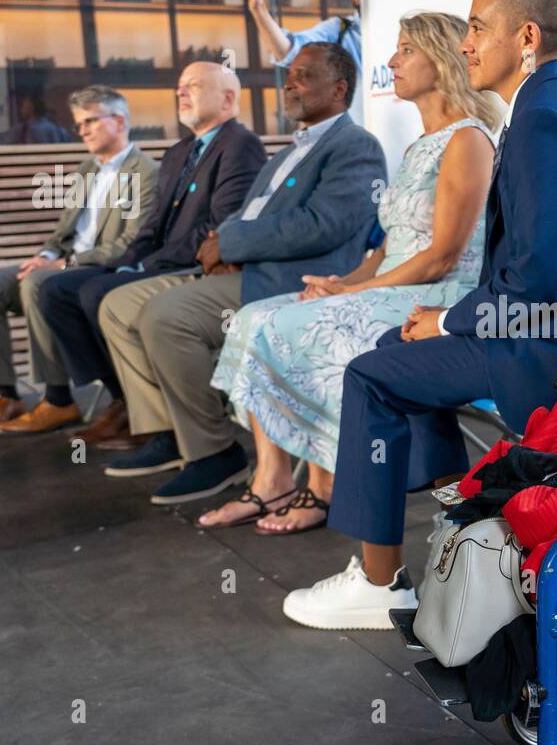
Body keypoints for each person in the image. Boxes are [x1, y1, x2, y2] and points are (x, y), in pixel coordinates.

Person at [279, 0, 557, 631]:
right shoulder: (543, 110)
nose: (465, 43)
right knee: (391, 351)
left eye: (476, 27)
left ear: (525, 37)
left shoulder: (544, 121)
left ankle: (379, 582)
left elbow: (537, 280)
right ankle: (458, 516)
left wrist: (445, 319)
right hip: (539, 326)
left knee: (373, 375)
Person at [199, 12, 500, 535]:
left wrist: (353, 290)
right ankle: (272, 480)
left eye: (406, 51)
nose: (391, 63)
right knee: (253, 317)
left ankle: (326, 486)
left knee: (304, 327)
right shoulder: (417, 146)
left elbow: (442, 257)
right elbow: (386, 249)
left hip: (437, 297)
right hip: (396, 284)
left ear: (442, 59)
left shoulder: (468, 140)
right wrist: (341, 283)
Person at [97, 42, 387, 506]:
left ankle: (213, 452)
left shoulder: (355, 146)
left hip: (291, 281)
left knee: (164, 316)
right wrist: (223, 242)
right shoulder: (285, 153)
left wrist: (229, 244)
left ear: (339, 88)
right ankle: (171, 435)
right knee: (116, 305)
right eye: (288, 74)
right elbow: (244, 214)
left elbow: (324, 225)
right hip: (243, 267)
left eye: (303, 75)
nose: (288, 83)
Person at [35, 63, 266, 449]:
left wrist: (144, 265)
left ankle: (151, 418)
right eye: (179, 88)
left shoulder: (240, 144)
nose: (182, 93)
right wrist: (132, 259)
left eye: (193, 86)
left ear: (228, 98)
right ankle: (123, 396)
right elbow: (151, 226)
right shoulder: (178, 152)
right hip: (160, 260)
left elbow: (217, 228)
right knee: (56, 292)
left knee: (95, 293)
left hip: (196, 266)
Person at [0, 86, 157, 435]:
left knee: (41, 283)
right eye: (78, 124)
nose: (82, 130)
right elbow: (63, 232)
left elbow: (131, 244)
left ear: (118, 121)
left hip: (100, 270)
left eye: (89, 121)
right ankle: (7, 395)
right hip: (65, 263)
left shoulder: (144, 172)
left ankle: (57, 399)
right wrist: (45, 255)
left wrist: (62, 265)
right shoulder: (86, 170)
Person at [249, 0, 362, 123]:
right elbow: (288, 50)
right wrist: (258, 9)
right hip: (357, 141)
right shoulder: (340, 29)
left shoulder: (405, 28)